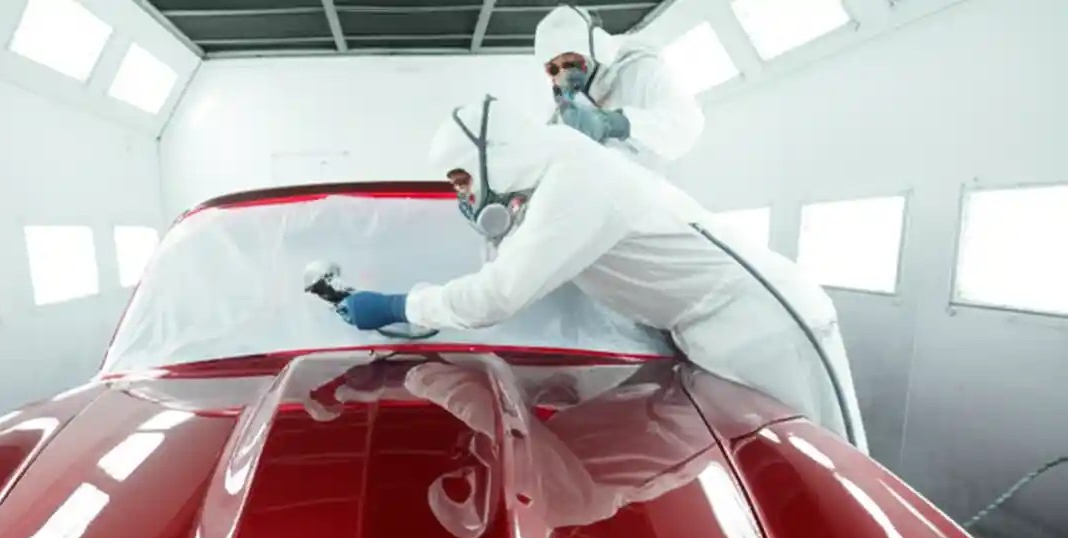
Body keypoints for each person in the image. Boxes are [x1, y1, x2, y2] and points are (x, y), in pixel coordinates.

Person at [336, 97, 869, 451]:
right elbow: (506, 272)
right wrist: (494, 233)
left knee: (820, 463)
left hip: (768, 322)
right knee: (763, 458)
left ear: (490, 154)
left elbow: (497, 296)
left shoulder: (577, 179)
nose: (463, 194)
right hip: (708, 331)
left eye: (462, 179)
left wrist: (395, 305)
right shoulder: (551, 181)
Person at [535, 4, 704, 171]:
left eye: (571, 62)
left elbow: (687, 124)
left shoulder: (640, 70)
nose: (564, 74)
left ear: (593, 50)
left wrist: (615, 123)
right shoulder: (566, 104)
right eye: (554, 69)